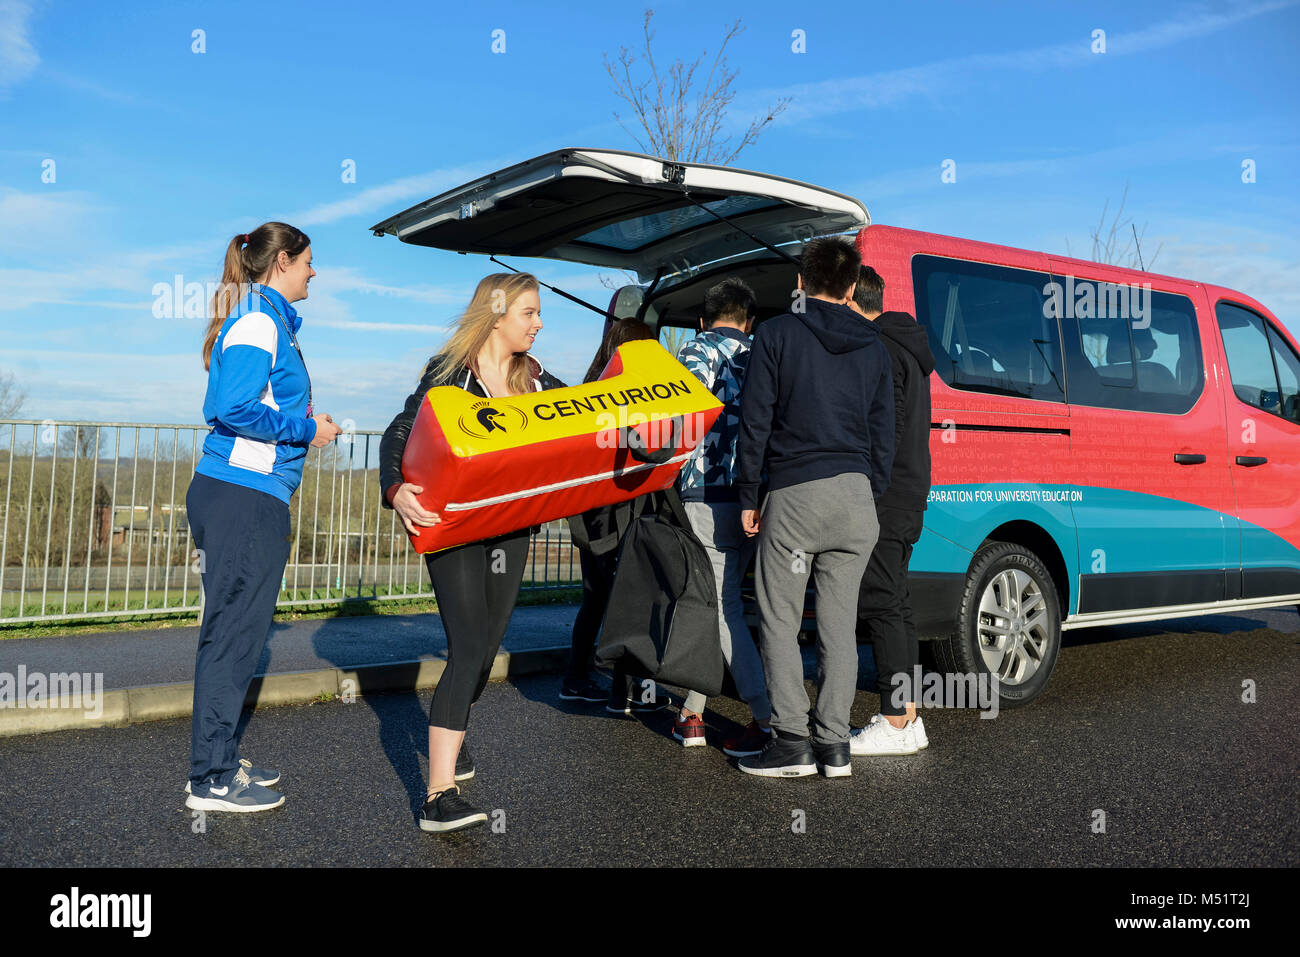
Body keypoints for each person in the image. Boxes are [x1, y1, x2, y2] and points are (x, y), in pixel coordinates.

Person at [379, 272, 565, 834]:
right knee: (466, 648)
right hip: (454, 524)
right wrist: (393, 487)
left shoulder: (535, 378)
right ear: (498, 312)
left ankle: (451, 734)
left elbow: (590, 419)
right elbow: (401, 429)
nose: (538, 323)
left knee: (485, 651)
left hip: (511, 529)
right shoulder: (449, 372)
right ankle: (438, 794)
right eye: (529, 313)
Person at [186, 222, 342, 813]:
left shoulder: (263, 318)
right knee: (232, 635)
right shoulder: (257, 320)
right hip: (243, 497)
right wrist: (309, 430)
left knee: (233, 632)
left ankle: (220, 756)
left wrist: (303, 423)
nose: (313, 272)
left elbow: (252, 403)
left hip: (243, 495)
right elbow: (229, 408)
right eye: (307, 261)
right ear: (281, 262)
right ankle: (211, 781)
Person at [734, 237, 895, 779]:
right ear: (852, 288)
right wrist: (870, 493)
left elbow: (756, 422)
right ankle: (834, 746)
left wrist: (749, 495)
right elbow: (883, 435)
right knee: (839, 626)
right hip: (855, 499)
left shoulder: (776, 334)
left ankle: (791, 744)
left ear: (801, 283)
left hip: (796, 494)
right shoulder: (876, 348)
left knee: (779, 621)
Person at [671, 279, 773, 755]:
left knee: (722, 606)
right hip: (755, 497)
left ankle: (766, 715)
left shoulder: (694, 352)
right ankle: (692, 713)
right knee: (726, 601)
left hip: (706, 494)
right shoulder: (764, 356)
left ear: (703, 319)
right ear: (748, 320)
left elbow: (678, 421)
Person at [559, 318, 671, 717]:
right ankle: (625, 693)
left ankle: (576, 678)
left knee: (595, 598)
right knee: (633, 600)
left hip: (592, 516)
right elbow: (648, 450)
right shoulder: (634, 393)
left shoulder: (591, 390)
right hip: (627, 511)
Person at [848, 265, 935, 756]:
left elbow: (887, 429)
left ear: (850, 300)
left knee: (882, 600)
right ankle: (908, 717)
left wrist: (867, 489)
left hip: (886, 494)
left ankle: (896, 721)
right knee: (896, 600)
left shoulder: (879, 347)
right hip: (909, 491)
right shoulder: (905, 343)